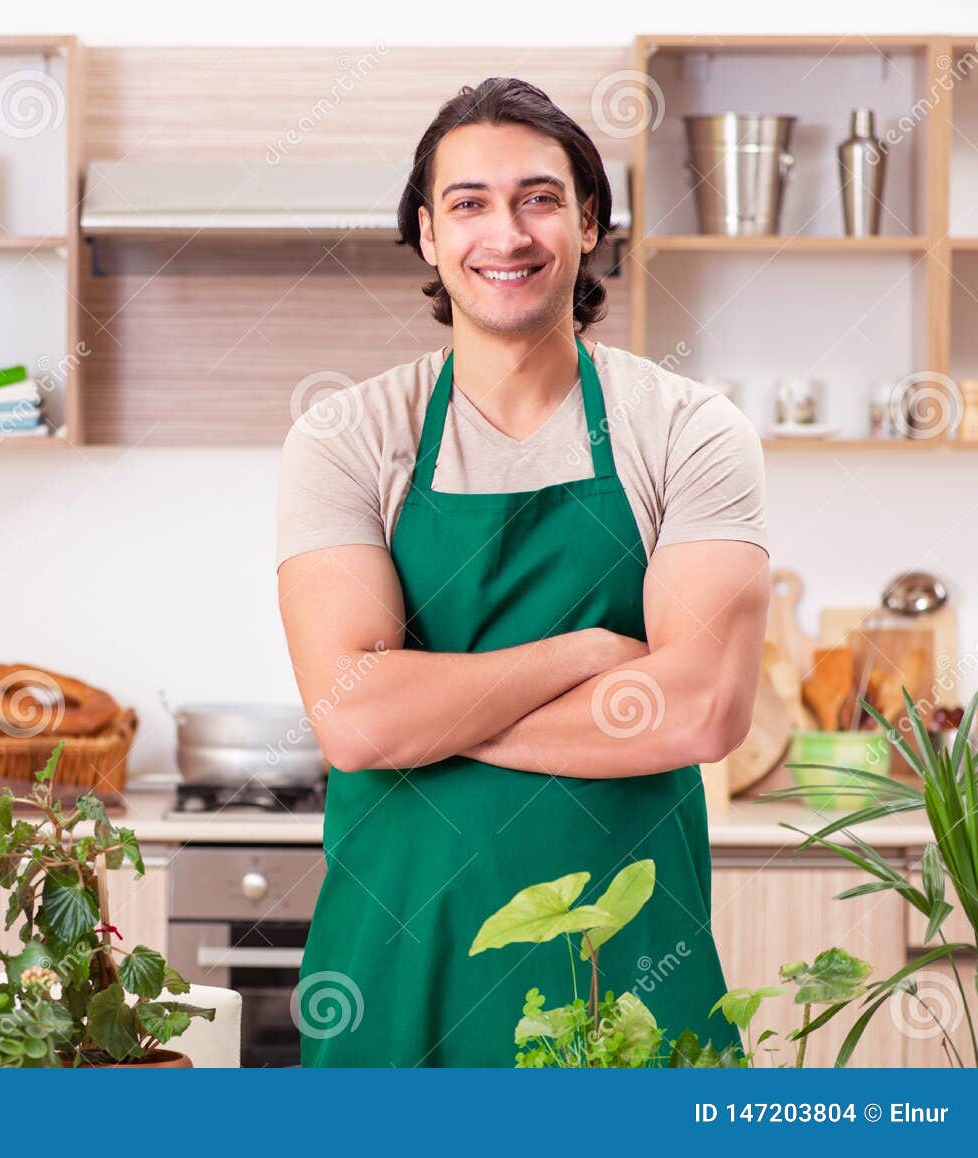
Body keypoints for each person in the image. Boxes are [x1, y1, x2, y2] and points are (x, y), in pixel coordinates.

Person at [276, 77, 770, 1067]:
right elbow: (354, 716)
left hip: (625, 974)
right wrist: (585, 653)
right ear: (426, 234)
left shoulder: (686, 430)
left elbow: (700, 713)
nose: (506, 233)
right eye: (468, 203)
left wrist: (427, 717)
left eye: (539, 198)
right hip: (395, 959)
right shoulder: (347, 435)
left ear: (588, 222)